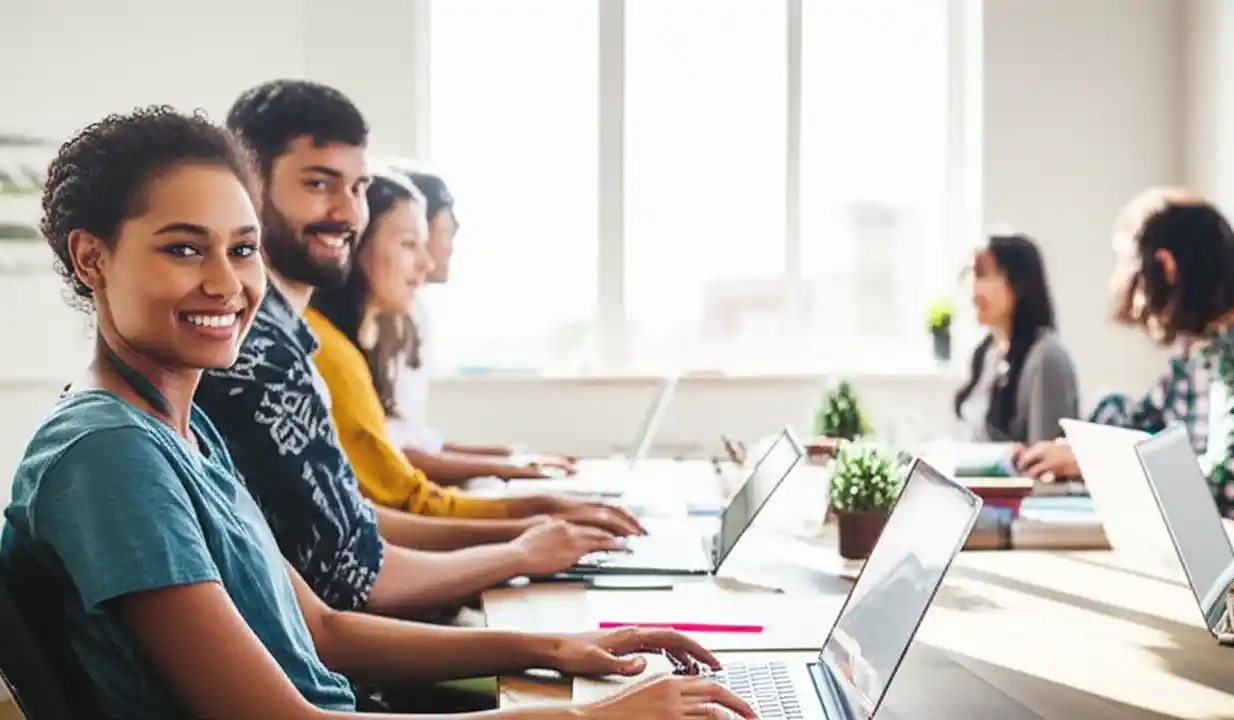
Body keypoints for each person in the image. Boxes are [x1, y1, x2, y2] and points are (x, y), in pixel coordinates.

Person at [0, 106, 751, 720]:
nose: (227, 284)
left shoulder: (180, 430)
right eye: (184, 250)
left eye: (243, 249)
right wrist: (588, 719)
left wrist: (558, 648)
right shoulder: (107, 455)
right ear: (93, 259)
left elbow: (323, 631)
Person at [194, 81, 625, 623]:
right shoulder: (257, 354)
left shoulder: (288, 339)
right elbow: (353, 581)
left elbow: (352, 522)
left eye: (358, 188)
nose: (349, 212)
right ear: (248, 186)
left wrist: (529, 536)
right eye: (319, 184)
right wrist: (519, 549)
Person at [308, 170, 640, 528]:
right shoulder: (331, 352)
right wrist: (536, 513)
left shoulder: (351, 343)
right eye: (408, 244)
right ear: (355, 244)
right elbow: (404, 496)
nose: (427, 263)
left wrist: (526, 489)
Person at [1016, 187, 1234, 532]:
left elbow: (1229, 488)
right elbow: (1147, 426)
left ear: (1166, 266)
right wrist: (1084, 444)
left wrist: (1096, 462)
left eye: (1130, 265)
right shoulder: (1198, 348)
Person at [373, 165, 578, 485]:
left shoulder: (411, 316)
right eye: (447, 231)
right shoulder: (365, 332)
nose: (429, 259)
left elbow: (415, 441)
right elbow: (392, 454)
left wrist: (511, 458)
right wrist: (508, 469)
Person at [954, 234, 1079, 444]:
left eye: (982, 274)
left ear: (1018, 282)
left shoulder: (1045, 357)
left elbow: (1045, 461)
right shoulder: (985, 353)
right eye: (970, 274)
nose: (973, 289)